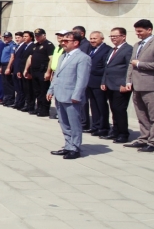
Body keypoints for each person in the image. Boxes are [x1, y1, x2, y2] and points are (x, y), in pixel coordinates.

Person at [125, 19, 154, 152]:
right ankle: (144, 138)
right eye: (136, 31)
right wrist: (128, 81)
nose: (138, 34)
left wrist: (140, 64)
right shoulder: (137, 45)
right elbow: (131, 64)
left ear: (149, 30)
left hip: (151, 86)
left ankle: (153, 142)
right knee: (141, 115)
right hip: (137, 85)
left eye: (140, 31)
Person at [48, 31, 92, 159]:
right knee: (63, 123)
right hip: (60, 94)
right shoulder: (63, 56)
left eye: (66, 41)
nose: (63, 43)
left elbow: (82, 79)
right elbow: (56, 75)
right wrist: (51, 90)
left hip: (72, 96)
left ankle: (75, 147)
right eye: (62, 41)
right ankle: (68, 145)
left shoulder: (83, 58)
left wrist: (77, 95)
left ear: (75, 42)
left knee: (74, 124)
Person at [100, 27, 133, 144]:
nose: (113, 38)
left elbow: (129, 68)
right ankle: (115, 131)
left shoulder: (128, 49)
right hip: (109, 84)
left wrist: (126, 83)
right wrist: (103, 81)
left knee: (120, 110)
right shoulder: (112, 50)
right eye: (111, 36)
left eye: (115, 36)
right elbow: (107, 67)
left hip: (121, 86)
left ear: (123, 36)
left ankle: (123, 133)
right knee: (113, 109)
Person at [85, 31, 111, 137]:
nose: (92, 41)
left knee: (101, 105)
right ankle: (95, 126)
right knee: (94, 105)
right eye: (91, 38)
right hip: (90, 82)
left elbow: (105, 67)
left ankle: (103, 127)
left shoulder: (106, 49)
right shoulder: (91, 49)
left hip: (100, 82)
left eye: (95, 38)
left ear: (102, 39)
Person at [25, 29, 54, 117]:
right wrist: (26, 69)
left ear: (44, 35)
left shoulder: (48, 45)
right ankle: (39, 108)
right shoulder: (35, 45)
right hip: (35, 71)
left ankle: (45, 110)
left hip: (43, 71)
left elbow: (51, 59)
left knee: (43, 91)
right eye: (36, 36)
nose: (37, 37)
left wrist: (48, 72)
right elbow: (30, 58)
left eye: (39, 35)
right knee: (37, 91)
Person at [14, 31, 35, 112]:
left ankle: (30, 106)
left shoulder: (33, 46)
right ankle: (25, 104)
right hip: (22, 70)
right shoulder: (25, 46)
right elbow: (21, 60)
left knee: (29, 90)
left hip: (28, 71)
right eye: (24, 36)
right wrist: (19, 70)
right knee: (24, 88)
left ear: (31, 37)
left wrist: (28, 71)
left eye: (26, 36)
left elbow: (31, 60)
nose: (24, 38)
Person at [0, 32, 16, 106]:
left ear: (11, 37)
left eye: (7, 37)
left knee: (9, 83)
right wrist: (0, 67)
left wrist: (8, 67)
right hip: (3, 65)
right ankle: (6, 98)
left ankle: (10, 100)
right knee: (4, 83)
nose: (5, 38)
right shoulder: (5, 45)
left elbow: (12, 57)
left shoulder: (12, 45)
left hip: (7, 65)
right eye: (5, 37)